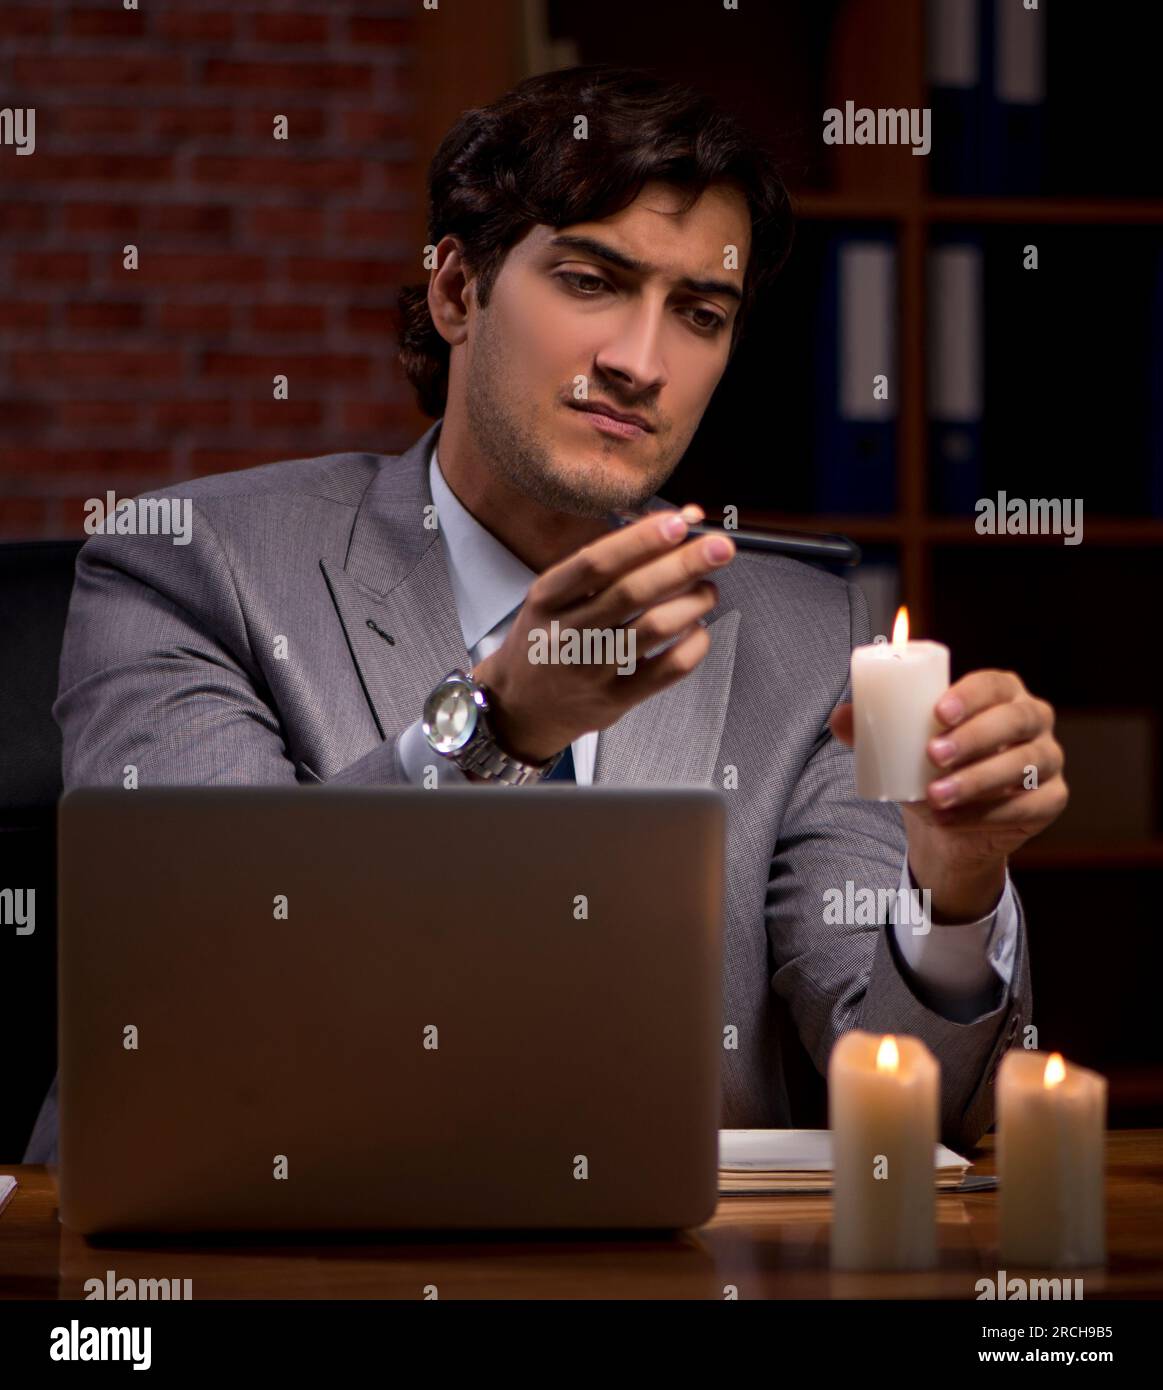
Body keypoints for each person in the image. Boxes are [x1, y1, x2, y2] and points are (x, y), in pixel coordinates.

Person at [24, 65, 1065, 1164]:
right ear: (455, 292)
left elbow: (911, 1107)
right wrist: (495, 727)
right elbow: (194, 991)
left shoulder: (809, 641)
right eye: (588, 280)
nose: (639, 363)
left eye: (698, 314)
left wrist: (955, 891)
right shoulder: (194, 564)